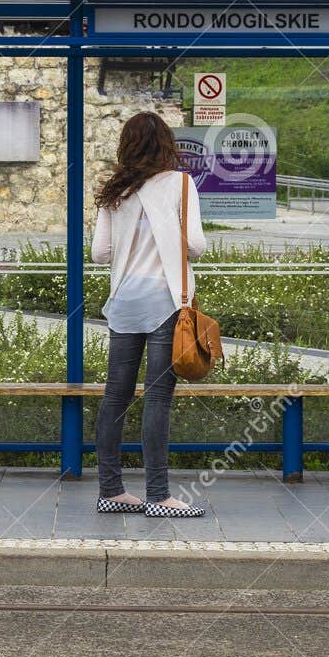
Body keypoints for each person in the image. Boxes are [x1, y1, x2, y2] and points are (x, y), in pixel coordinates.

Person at [90, 112, 207, 517]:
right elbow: (195, 247)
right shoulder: (180, 184)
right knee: (158, 398)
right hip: (164, 302)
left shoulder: (113, 190)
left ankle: (111, 489)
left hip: (124, 301)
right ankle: (159, 496)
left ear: (128, 143)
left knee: (115, 397)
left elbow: (100, 253)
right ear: (167, 144)